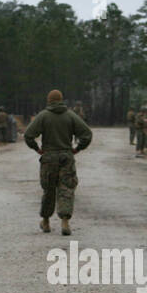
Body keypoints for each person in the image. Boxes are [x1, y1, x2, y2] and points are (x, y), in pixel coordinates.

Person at [24, 89, 92, 236]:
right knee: (66, 189)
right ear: (62, 100)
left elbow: (28, 135)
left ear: (48, 100)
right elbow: (87, 134)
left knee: (49, 190)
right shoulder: (71, 116)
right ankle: (65, 222)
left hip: (48, 157)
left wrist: (37, 149)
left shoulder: (43, 116)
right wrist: (77, 149)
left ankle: (46, 222)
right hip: (66, 157)